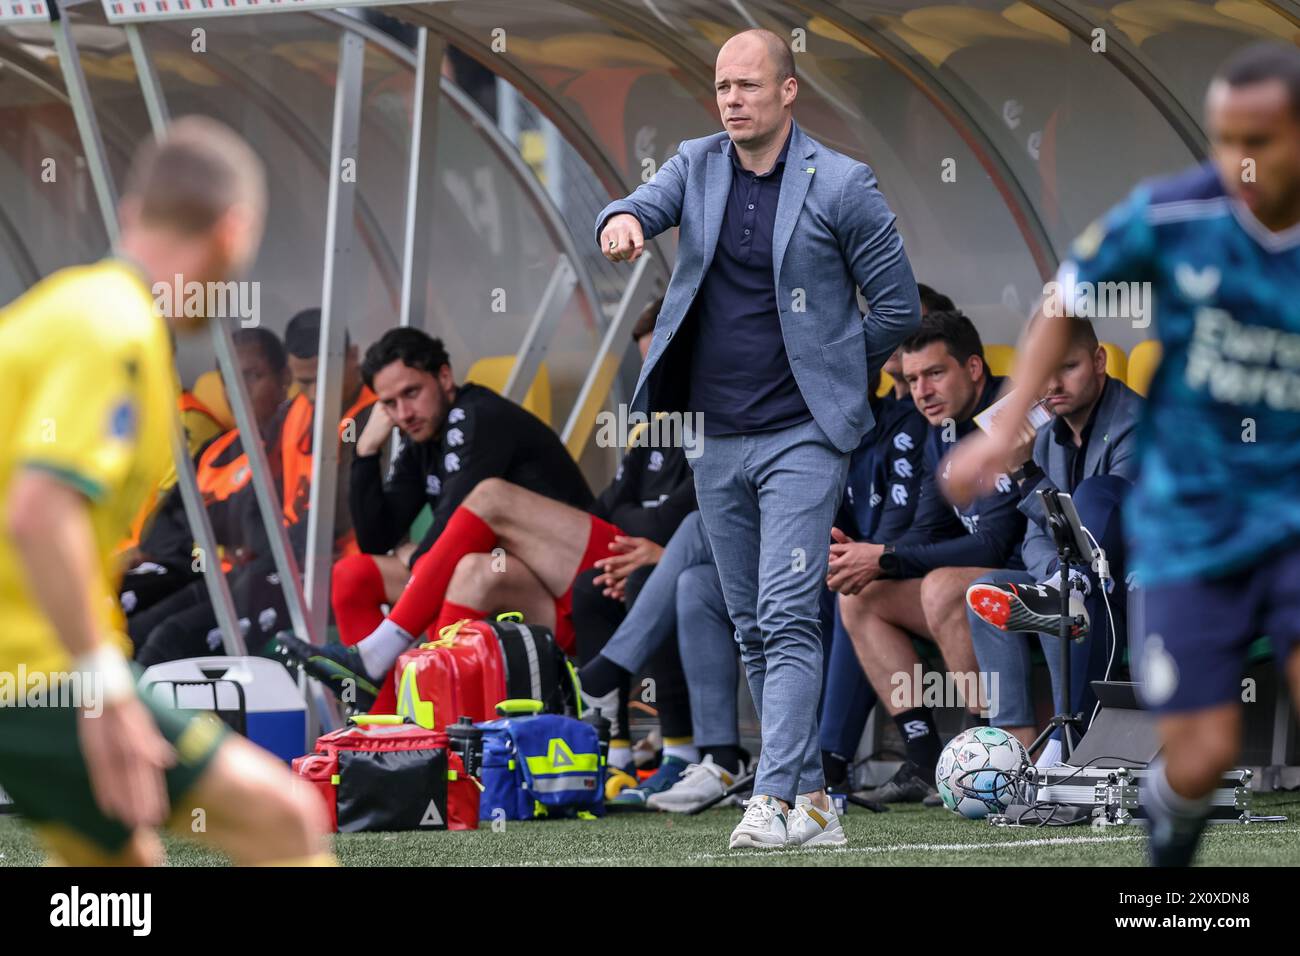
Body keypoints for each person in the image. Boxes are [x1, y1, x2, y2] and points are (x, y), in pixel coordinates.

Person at [941, 42, 1300, 866]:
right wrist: (1000, 431)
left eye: (1264, 139)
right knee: (1202, 756)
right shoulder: (1175, 214)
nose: (1239, 162)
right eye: (1224, 138)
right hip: (1191, 526)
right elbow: (1066, 297)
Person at [597, 28, 920, 848]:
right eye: (721, 87)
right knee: (748, 621)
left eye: (747, 86)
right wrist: (623, 222)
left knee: (784, 613)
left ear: (787, 92)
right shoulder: (697, 162)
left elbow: (899, 311)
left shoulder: (844, 183)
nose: (731, 100)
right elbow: (642, 201)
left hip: (804, 437)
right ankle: (814, 801)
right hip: (715, 434)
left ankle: (771, 797)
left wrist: (829, 375)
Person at [0, 116, 331, 865]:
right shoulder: (116, 330)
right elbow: (39, 509)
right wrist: (103, 684)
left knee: (117, 871)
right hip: (31, 670)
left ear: (130, 215)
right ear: (233, 232)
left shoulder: (65, 307)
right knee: (284, 819)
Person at [275, 326, 597, 711]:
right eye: (390, 404)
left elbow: (452, 528)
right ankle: (387, 729)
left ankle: (430, 719)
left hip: (579, 592)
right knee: (353, 575)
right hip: (515, 589)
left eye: (411, 393)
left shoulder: (477, 416)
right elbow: (377, 539)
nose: (404, 413)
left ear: (444, 377)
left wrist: (417, 557)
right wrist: (365, 451)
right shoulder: (421, 437)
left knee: (466, 564)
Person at [836, 311, 1025, 803]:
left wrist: (887, 555)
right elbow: (925, 528)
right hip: (981, 588)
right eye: (914, 378)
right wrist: (873, 560)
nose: (921, 390)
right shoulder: (939, 428)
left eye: (935, 374)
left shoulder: (1007, 415)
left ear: (975, 370)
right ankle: (923, 756)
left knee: (943, 584)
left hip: (1036, 589)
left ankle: (984, 752)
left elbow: (994, 544)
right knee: (861, 599)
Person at [963, 317, 1143, 763]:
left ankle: (1067, 741)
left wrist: (1025, 472)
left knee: (1097, 493)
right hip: (1080, 584)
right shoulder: (1043, 433)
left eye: (1069, 367)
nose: (1054, 383)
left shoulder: (1139, 422)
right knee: (989, 592)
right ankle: (1014, 748)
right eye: (1044, 371)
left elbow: (1121, 525)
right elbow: (1034, 539)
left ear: (1100, 361)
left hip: (1132, 578)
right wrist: (1056, 577)